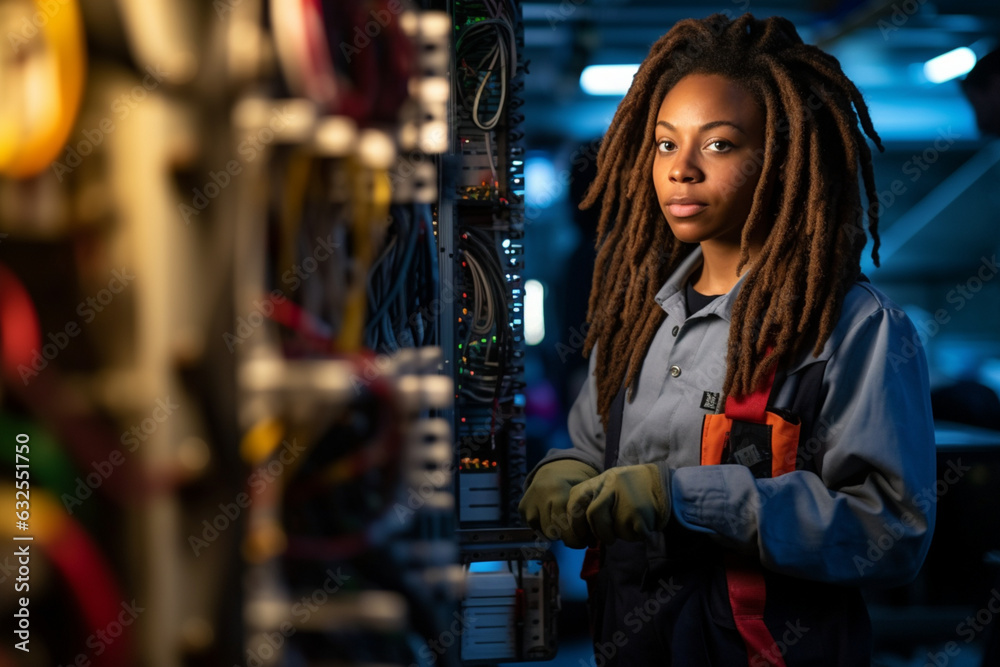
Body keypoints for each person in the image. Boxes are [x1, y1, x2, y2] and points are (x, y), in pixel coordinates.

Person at [518, 13, 937, 666]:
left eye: (719, 144)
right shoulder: (636, 317)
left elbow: (891, 531)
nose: (681, 170)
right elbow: (591, 447)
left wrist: (683, 497)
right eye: (664, 144)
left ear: (780, 158)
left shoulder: (850, 327)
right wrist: (563, 467)